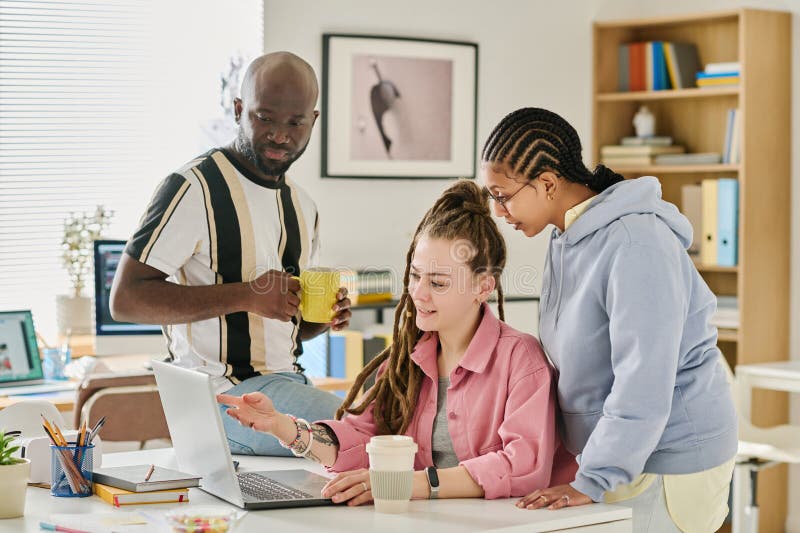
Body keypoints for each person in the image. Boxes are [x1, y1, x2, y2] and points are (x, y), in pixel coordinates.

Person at [218, 180, 577, 505]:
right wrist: (282, 426)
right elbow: (363, 441)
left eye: (437, 283)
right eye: (415, 276)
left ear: (483, 287)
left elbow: (523, 464)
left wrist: (409, 484)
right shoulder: (407, 361)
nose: (418, 293)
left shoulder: (521, 359)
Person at [481, 107, 737, 532]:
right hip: (620, 457)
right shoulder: (569, 236)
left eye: (502, 195)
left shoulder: (636, 243)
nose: (497, 210)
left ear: (547, 183)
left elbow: (644, 380)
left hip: (671, 456)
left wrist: (594, 479)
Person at [110, 52, 349, 456]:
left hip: (286, 388)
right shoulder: (193, 187)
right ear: (239, 110)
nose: (280, 134)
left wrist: (321, 319)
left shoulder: (303, 206)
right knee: (364, 433)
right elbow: (125, 300)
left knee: (381, 426)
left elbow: (287, 329)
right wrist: (246, 294)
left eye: (295, 122)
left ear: (314, 120)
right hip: (217, 400)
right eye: (265, 117)